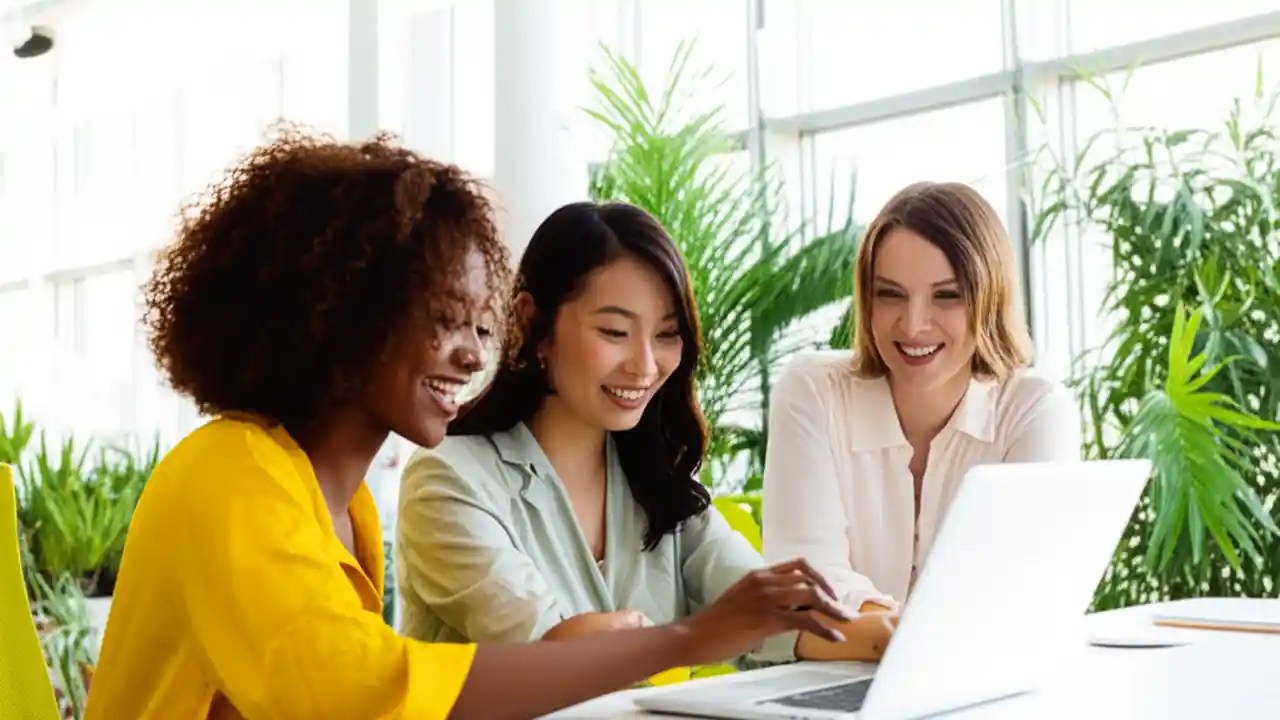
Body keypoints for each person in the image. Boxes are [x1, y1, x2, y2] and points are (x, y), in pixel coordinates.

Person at [83, 131, 851, 720]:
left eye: (479, 326)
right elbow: (355, 692)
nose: (473, 353)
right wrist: (690, 638)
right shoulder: (230, 473)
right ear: (342, 316)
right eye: (441, 320)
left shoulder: (342, 507)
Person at [395, 202, 888, 663]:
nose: (646, 366)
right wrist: (707, 632)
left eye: (666, 334)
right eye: (614, 332)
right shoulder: (448, 480)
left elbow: (765, 612)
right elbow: (551, 652)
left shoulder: (655, 483)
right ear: (533, 323)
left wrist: (885, 636)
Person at [761, 181, 1081, 662]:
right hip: (835, 681)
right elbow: (806, 584)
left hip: (979, 678)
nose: (913, 325)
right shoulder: (813, 391)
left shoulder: (1034, 409)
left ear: (989, 298)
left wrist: (879, 632)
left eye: (946, 296)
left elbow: (1017, 590)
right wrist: (898, 637)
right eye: (890, 294)